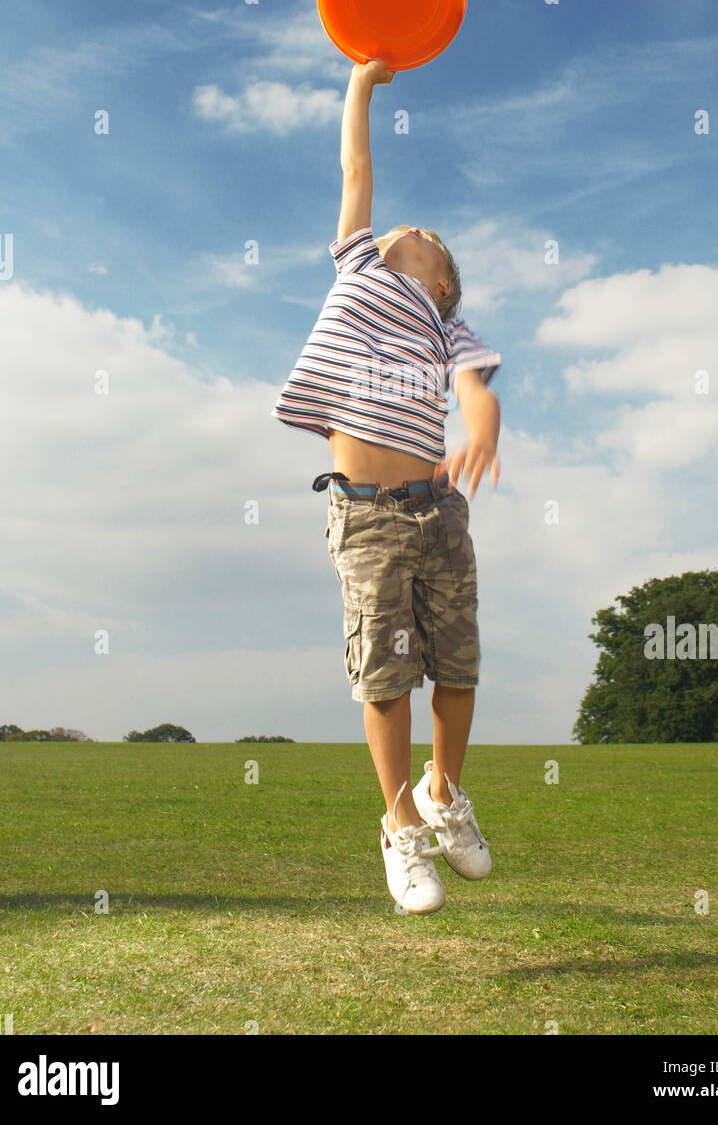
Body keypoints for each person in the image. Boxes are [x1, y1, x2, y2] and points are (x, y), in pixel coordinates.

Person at [272, 58, 502, 913]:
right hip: (364, 516)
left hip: (439, 512)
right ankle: (400, 825)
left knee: (459, 668)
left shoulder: (447, 324)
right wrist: (361, 85)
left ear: (443, 282)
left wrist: (480, 422)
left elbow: (475, 384)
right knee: (384, 677)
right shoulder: (358, 269)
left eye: (427, 235)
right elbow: (356, 169)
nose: (408, 227)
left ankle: (445, 794)